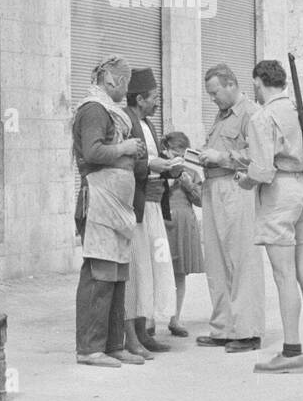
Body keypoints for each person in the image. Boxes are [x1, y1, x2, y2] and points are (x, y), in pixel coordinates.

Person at [239, 58, 303, 373]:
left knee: (284, 275)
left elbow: (262, 171)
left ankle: (291, 351)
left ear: (260, 84)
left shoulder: (262, 117)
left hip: (279, 194)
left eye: (256, 88)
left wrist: (244, 180)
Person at [71, 55, 148, 367]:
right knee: (99, 274)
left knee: (117, 275)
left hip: (117, 205)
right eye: (125, 82)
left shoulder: (112, 112)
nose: (126, 89)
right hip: (99, 200)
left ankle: (113, 344)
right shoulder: (93, 109)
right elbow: (92, 151)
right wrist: (125, 149)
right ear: (111, 80)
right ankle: (89, 349)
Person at [195, 64, 263, 353]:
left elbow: (258, 155)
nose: (213, 99)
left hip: (236, 187)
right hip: (214, 188)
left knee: (241, 258)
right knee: (217, 261)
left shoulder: (251, 113)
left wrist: (220, 156)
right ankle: (223, 327)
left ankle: (247, 330)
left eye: (215, 92)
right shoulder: (222, 115)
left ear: (232, 84)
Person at [124, 68, 177, 356]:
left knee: (155, 268)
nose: (157, 102)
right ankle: (133, 333)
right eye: (153, 97)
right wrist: (150, 167)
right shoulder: (126, 123)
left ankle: (146, 329)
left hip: (154, 204)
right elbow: (122, 164)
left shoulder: (147, 123)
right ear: (140, 98)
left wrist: (167, 164)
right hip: (138, 206)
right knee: (139, 269)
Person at [161, 130, 204, 336]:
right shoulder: (159, 169)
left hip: (184, 223)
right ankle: (150, 320)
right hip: (163, 223)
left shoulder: (191, 171)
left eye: (180, 151)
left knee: (180, 273)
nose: (176, 155)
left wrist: (189, 186)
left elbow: (201, 200)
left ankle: (175, 318)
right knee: (159, 270)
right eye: (172, 151)